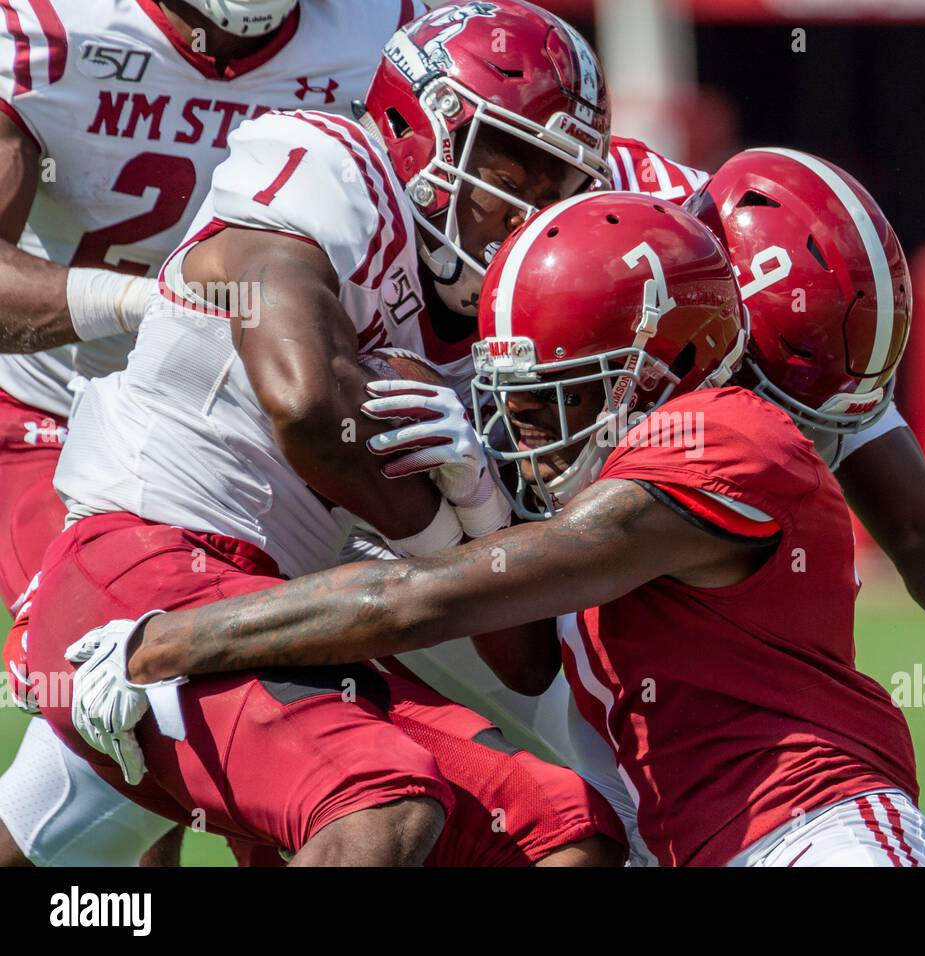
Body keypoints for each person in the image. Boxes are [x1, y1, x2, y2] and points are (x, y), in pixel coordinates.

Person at [54, 191, 925, 866]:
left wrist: (167, 640)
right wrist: (473, 499)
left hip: (815, 835)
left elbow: (439, 596)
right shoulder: (663, 355)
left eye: (556, 391)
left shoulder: (727, 437)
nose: (523, 422)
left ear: (665, 358)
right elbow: (526, 665)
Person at [9, 0, 624, 866]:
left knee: (568, 827)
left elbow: (525, 658)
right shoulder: (329, 169)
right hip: (140, 572)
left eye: (561, 182)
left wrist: (480, 496)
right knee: (378, 806)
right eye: (514, 165)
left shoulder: (502, 330)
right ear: (422, 131)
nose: (533, 207)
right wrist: (441, 529)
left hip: (285, 622)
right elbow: (307, 408)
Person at [0, 0, 420, 868]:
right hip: (56, 414)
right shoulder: (54, 26)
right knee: (134, 705)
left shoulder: (386, 28)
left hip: (245, 428)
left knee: (269, 726)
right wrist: (150, 302)